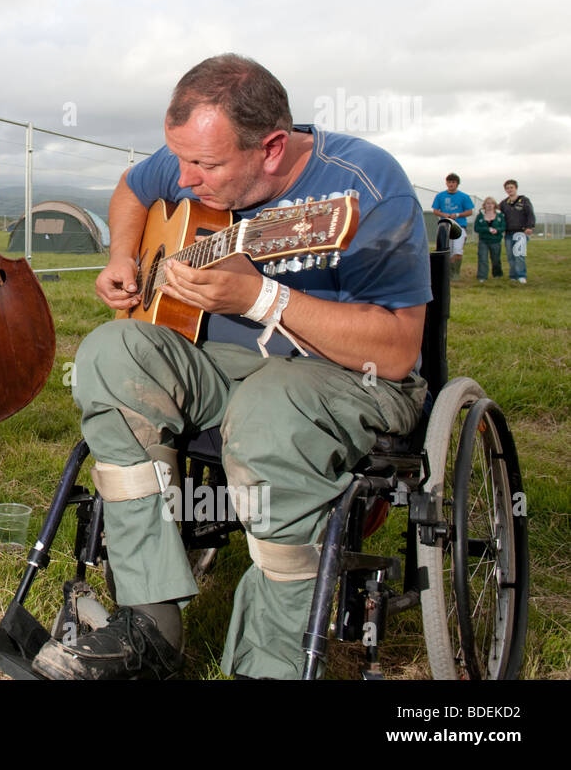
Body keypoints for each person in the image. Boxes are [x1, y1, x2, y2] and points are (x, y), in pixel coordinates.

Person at [32, 54, 431, 680]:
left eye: (206, 166)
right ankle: (148, 625)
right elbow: (136, 186)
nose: (185, 179)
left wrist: (262, 296)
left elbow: (401, 347)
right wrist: (122, 258)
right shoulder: (194, 158)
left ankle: (270, 661)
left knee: (271, 405)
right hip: (226, 369)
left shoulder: (363, 186)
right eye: (181, 158)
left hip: (348, 378)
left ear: (271, 148)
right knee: (110, 355)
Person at [431, 173, 473, 281]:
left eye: (453, 182)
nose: (451, 184)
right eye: (449, 182)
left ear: (457, 184)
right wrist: (444, 215)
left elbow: (469, 211)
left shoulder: (464, 197)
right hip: (445, 227)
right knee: (445, 250)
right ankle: (446, 273)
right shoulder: (440, 196)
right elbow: (435, 210)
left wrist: (458, 215)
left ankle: (455, 273)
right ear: (446, 183)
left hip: (459, 226)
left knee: (457, 250)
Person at [498, 179, 535, 285]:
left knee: (519, 255)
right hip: (508, 233)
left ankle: (521, 275)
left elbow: (530, 214)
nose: (509, 190)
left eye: (511, 187)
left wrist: (529, 226)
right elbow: (497, 212)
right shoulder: (504, 203)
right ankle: (513, 275)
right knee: (510, 256)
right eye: (507, 188)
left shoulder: (524, 200)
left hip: (521, 232)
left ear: (516, 188)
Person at [474, 196, 505, 283]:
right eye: (488, 203)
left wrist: (497, 230)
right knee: (483, 258)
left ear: (494, 205)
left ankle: (497, 274)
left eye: (492, 203)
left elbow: (503, 227)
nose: (490, 205)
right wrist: (487, 229)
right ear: (484, 205)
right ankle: (482, 276)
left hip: (495, 241)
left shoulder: (500, 216)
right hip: (483, 240)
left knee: (496, 259)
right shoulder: (480, 216)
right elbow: (476, 228)